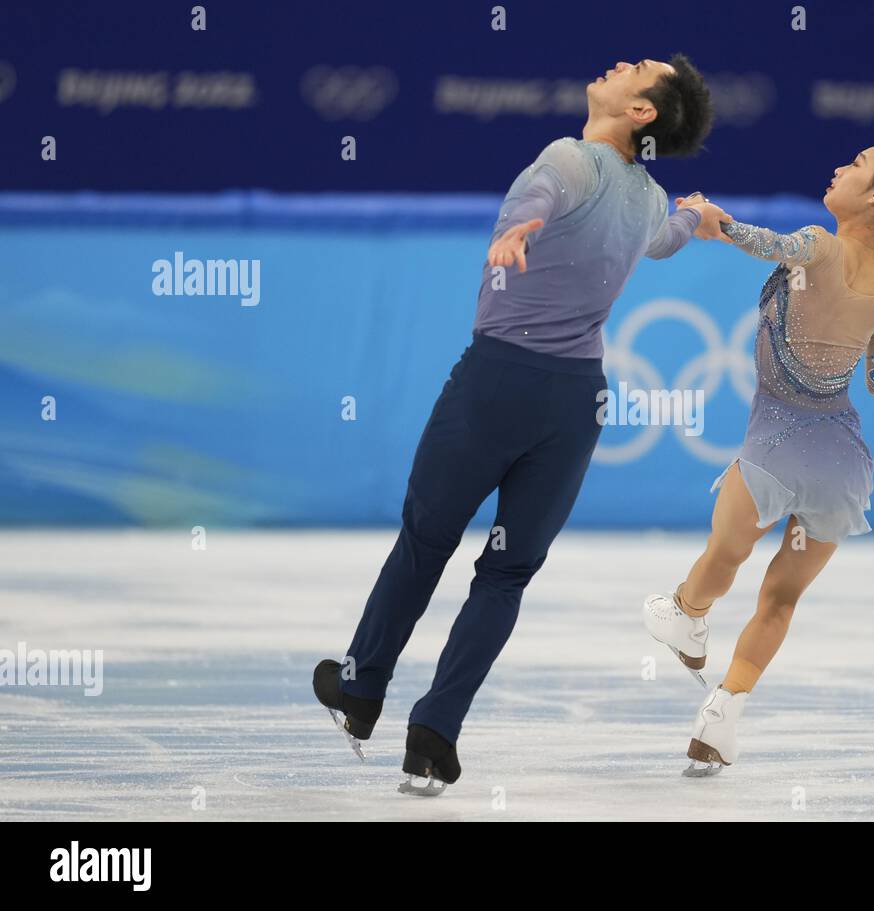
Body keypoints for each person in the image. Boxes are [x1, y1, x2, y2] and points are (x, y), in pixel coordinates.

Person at [314, 55, 727, 794]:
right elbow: (662, 236)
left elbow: (543, 195)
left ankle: (361, 687)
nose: (619, 63)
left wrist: (522, 229)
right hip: (574, 406)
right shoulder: (646, 195)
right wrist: (695, 215)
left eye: (638, 69)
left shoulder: (572, 158)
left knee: (427, 539)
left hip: (496, 385)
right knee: (505, 574)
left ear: (642, 114)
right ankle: (434, 733)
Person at [642, 140, 874, 775]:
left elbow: (766, 244)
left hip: (776, 448)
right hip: (840, 466)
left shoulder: (819, 242)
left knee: (725, 556)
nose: (840, 165)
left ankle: (686, 614)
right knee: (781, 600)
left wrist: (713, 219)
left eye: (857, 165)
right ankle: (723, 713)